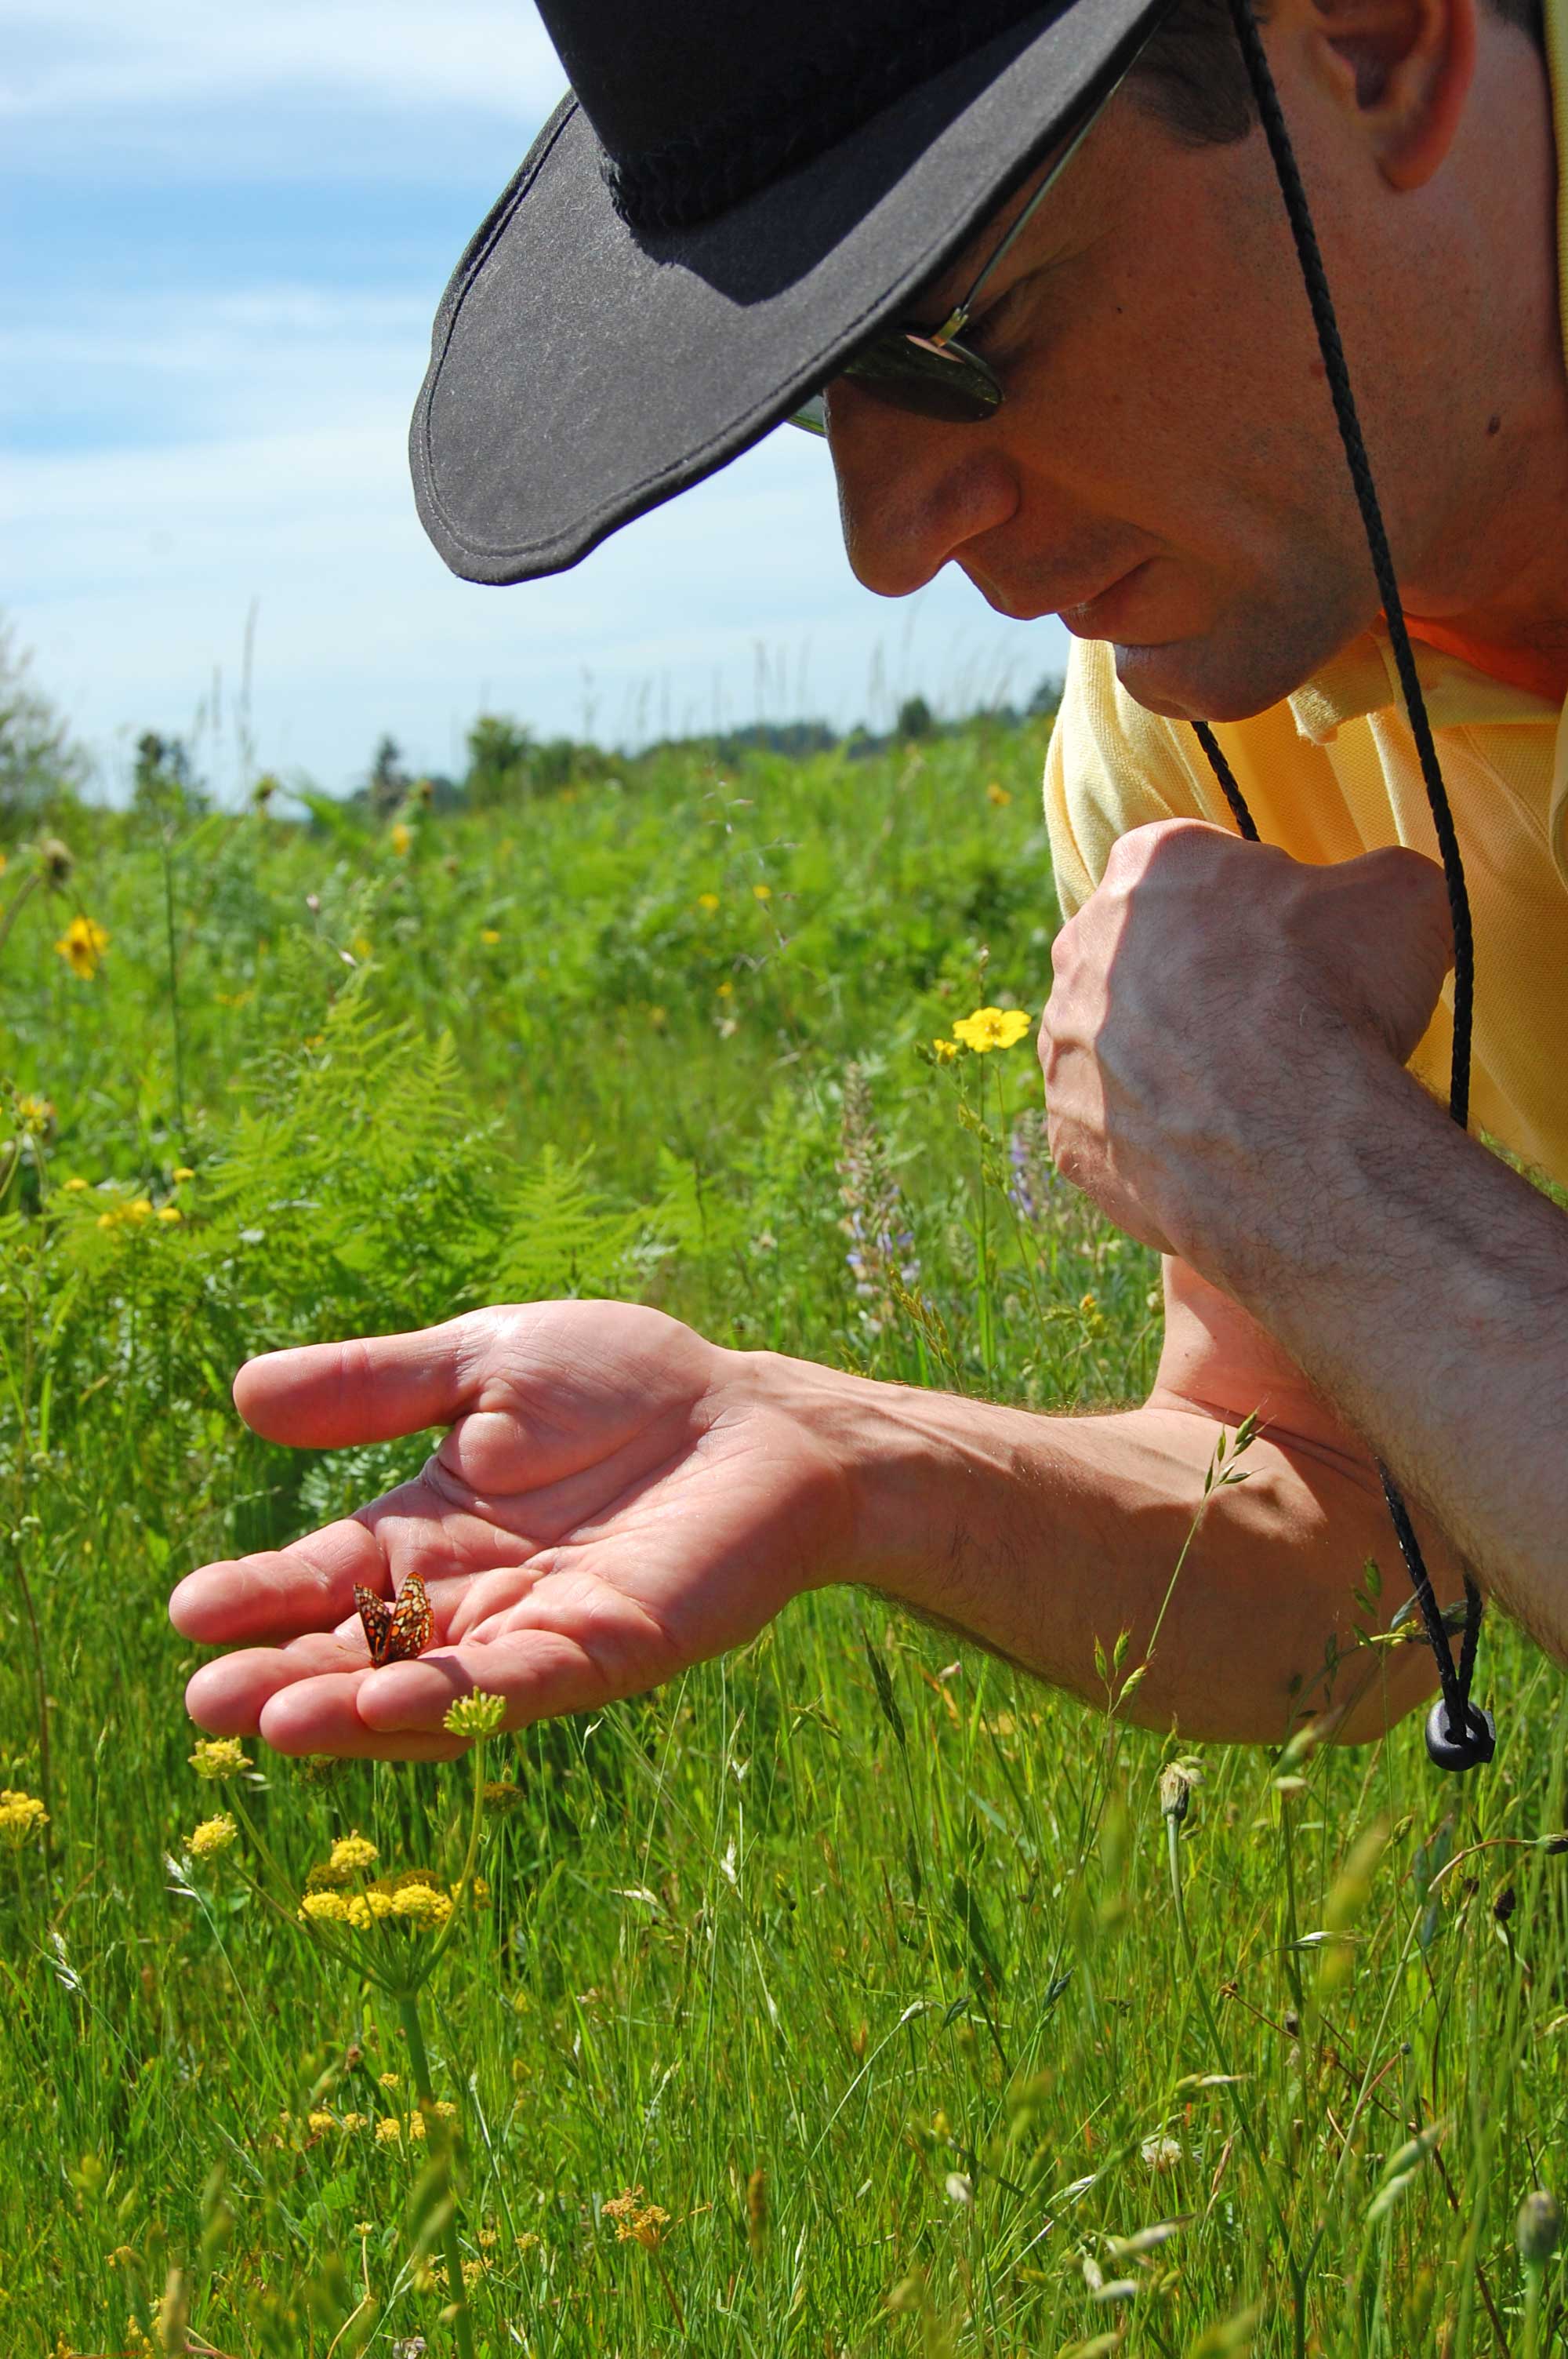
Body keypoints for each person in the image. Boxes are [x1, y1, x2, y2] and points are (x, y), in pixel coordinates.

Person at [169, 0, 1568, 1763]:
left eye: (962, 335)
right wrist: (846, 1453)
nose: (890, 540)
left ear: (1374, 49)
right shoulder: (1187, 735)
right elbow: (1349, 1558)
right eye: (826, 409)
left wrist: (1318, 1172)